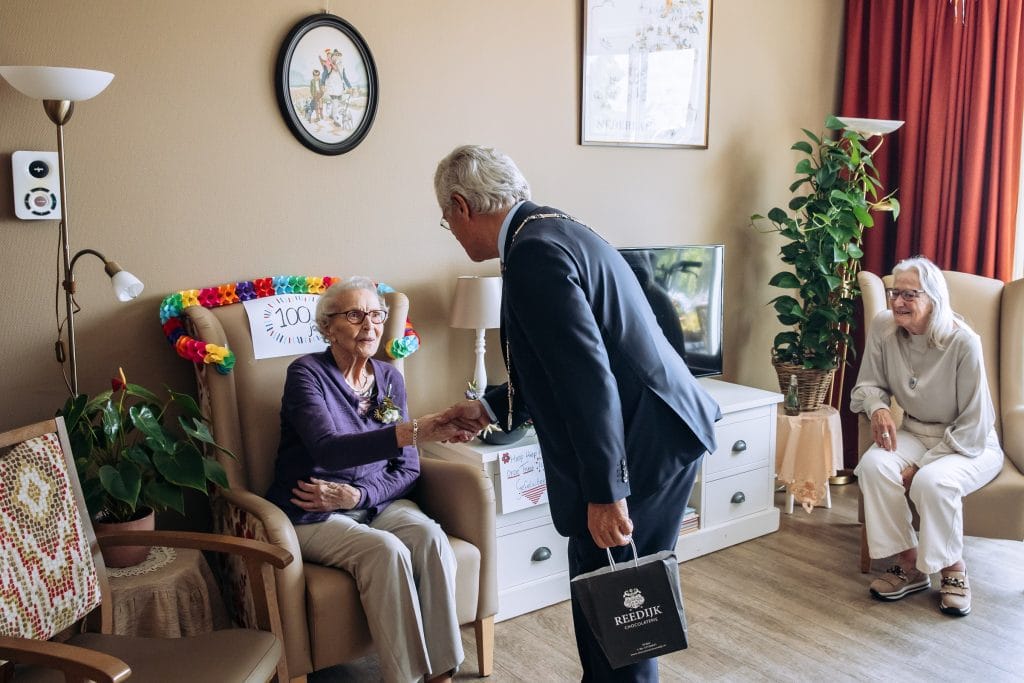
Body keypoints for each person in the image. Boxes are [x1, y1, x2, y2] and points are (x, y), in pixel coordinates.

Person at [433, 144, 721, 681]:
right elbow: (567, 362)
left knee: (622, 619)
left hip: (638, 448)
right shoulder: (554, 230)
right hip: (658, 431)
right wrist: (490, 406)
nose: (450, 230)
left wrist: (606, 494)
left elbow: (587, 381)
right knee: (614, 612)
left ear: (462, 206)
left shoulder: (533, 253)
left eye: (446, 219)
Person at [264, 277, 470, 683]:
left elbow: (408, 469)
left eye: (376, 315)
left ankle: (442, 673)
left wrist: (360, 494)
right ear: (327, 327)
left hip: (375, 502)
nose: (370, 325)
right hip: (313, 509)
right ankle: (405, 678)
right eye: (355, 315)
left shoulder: (390, 377)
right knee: (385, 551)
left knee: (431, 537)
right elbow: (328, 449)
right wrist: (415, 430)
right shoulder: (306, 374)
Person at [851, 256, 1004, 616]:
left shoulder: (963, 341)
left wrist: (921, 466)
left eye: (910, 294)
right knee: (874, 466)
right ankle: (909, 562)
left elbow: (975, 423)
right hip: (915, 430)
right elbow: (866, 386)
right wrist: (878, 407)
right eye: (895, 293)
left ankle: (953, 568)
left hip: (969, 442)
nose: (898, 302)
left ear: (934, 299)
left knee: (932, 482)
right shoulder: (884, 326)